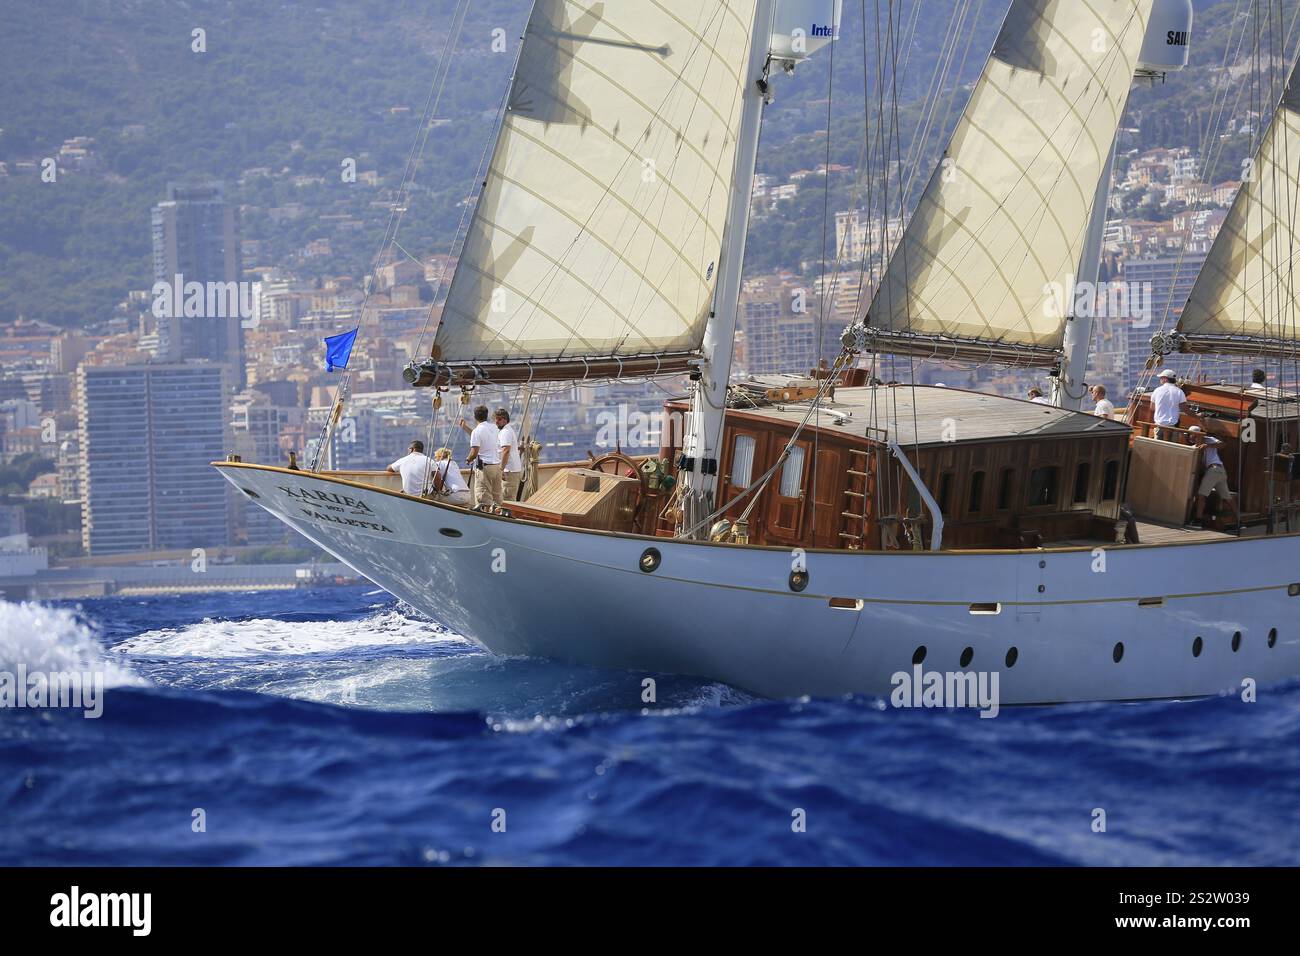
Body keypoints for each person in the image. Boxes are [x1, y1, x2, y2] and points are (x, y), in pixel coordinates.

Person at [1186, 425, 1238, 528]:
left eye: (1191, 434)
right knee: (1227, 498)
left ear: (1196, 435)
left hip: (1214, 470)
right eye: (1189, 435)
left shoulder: (1208, 440)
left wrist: (1208, 446)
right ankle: (1240, 522)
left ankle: (1198, 521)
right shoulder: (1194, 447)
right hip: (1219, 470)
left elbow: (1223, 444)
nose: (1189, 437)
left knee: (1201, 495)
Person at [459, 405, 502, 510]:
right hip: (497, 466)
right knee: (497, 498)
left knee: (484, 498)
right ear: (486, 415)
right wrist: (466, 428)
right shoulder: (494, 428)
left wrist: (469, 459)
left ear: (475, 417)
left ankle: (486, 518)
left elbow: (474, 452)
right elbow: (482, 437)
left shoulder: (477, 431)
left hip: (485, 468)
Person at [495, 408, 524, 502]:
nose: (496, 421)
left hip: (509, 471)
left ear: (505, 420)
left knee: (507, 499)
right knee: (507, 498)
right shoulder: (506, 430)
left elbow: (506, 450)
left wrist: (501, 469)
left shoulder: (505, 432)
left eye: (499, 419)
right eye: (496, 419)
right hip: (510, 470)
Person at [1151, 369, 1187, 440]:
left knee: (1157, 448)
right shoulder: (1179, 392)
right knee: (1171, 448)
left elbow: (1152, 407)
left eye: (1161, 377)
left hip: (1159, 425)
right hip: (1172, 427)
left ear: (1165, 379)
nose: (1160, 379)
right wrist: (1197, 416)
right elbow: (1184, 409)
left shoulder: (1157, 390)